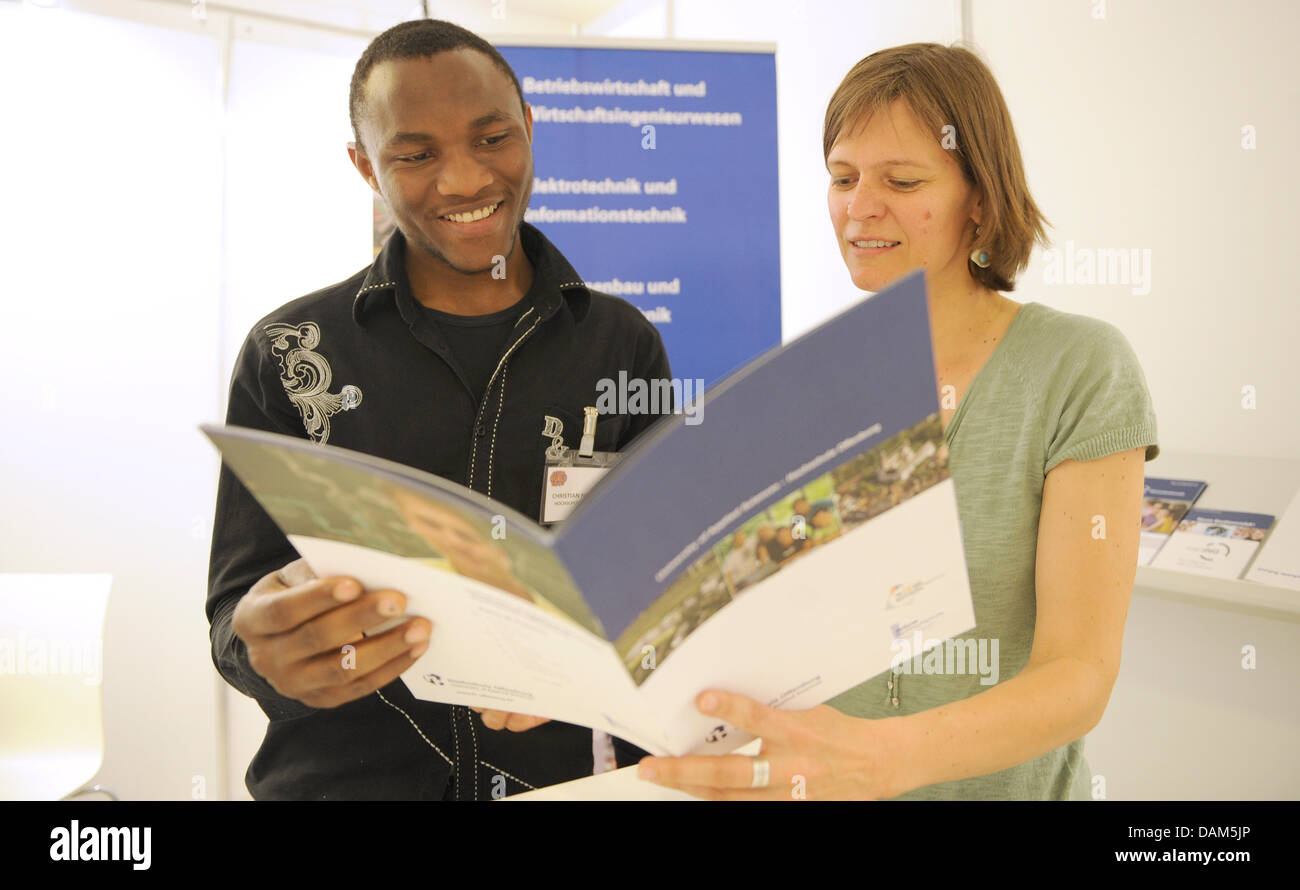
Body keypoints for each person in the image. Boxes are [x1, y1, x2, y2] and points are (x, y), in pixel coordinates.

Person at [637, 42, 1158, 800]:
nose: (860, 206)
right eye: (843, 178)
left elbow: (1079, 674)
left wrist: (884, 758)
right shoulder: (801, 385)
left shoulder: (1078, 369)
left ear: (979, 198)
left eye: (902, 180)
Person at [206, 18, 672, 800]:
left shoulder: (617, 344)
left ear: (529, 126)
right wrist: (270, 655)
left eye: (492, 138)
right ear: (365, 167)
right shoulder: (291, 352)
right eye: (416, 154)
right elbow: (236, 614)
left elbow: (656, 582)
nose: (463, 180)